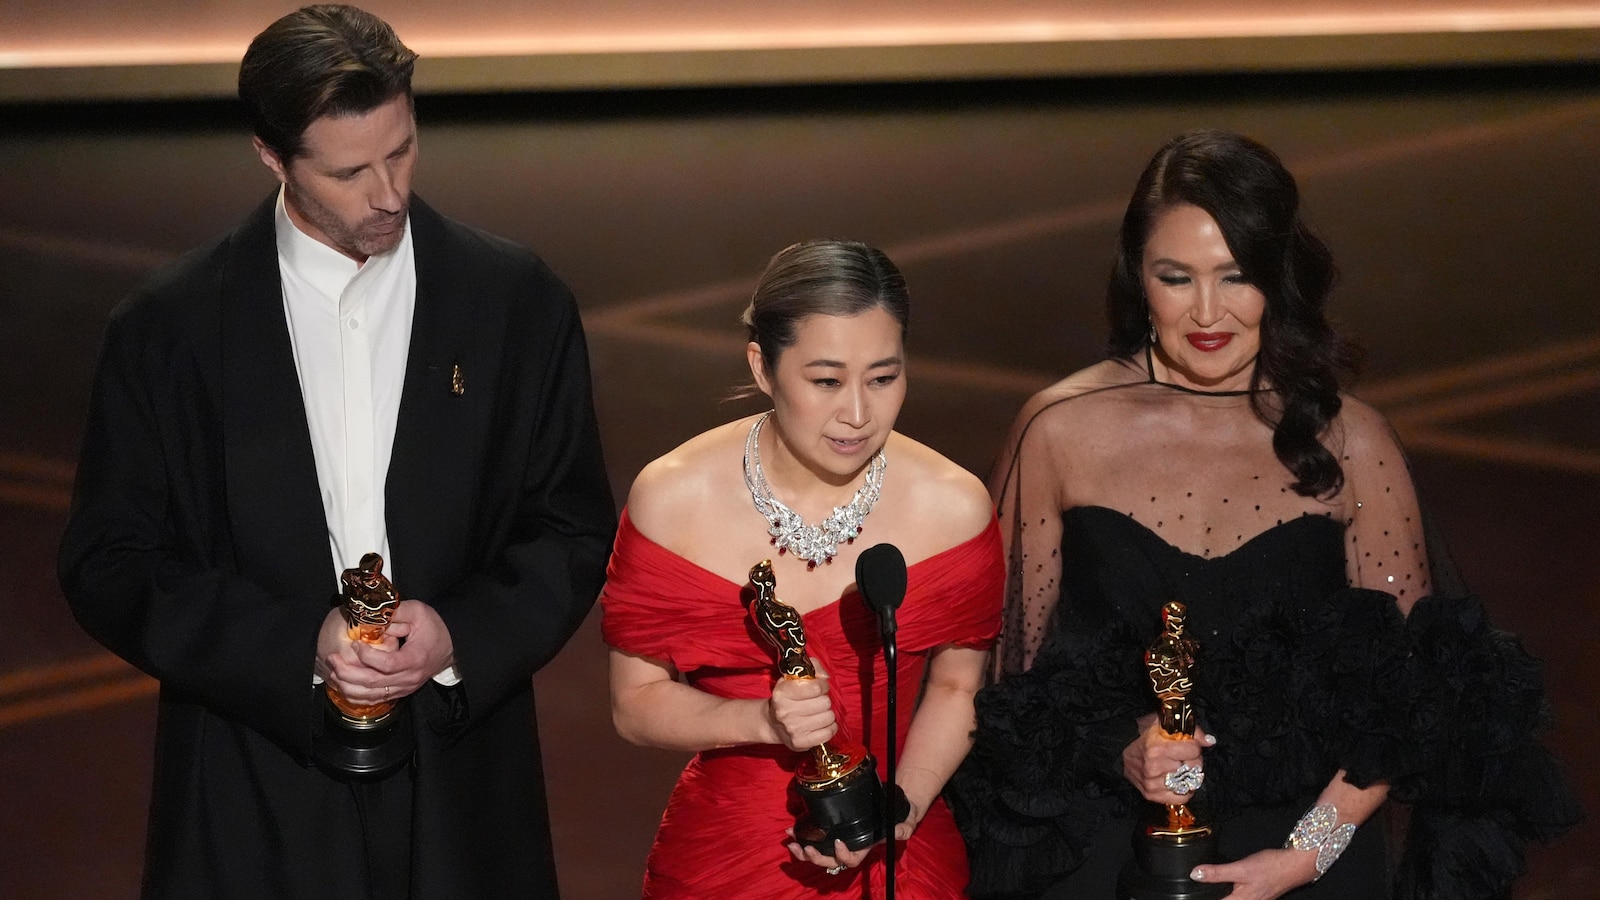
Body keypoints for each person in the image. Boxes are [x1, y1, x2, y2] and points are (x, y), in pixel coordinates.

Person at [57, 6, 616, 898]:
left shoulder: (514, 301)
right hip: (250, 771)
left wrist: (459, 634)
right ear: (271, 155)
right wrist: (291, 646)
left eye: (402, 150)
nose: (388, 194)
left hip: (461, 776)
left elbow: (572, 527)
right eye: (350, 172)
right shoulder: (172, 328)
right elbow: (109, 561)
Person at [949, 130, 1579, 899]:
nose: (1206, 311)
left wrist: (1306, 855)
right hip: (1111, 847)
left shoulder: (1352, 441)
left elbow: (1412, 694)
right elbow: (1011, 678)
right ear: (1138, 278)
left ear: (1279, 277)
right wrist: (1123, 747)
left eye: (1236, 275)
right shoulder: (1058, 431)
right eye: (1176, 278)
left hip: (1310, 850)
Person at [601, 239, 1004, 897]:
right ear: (762, 367)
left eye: (883, 378)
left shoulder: (953, 505)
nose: (858, 414)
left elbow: (958, 689)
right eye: (826, 381)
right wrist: (761, 721)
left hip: (896, 851)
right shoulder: (673, 497)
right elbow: (634, 704)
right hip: (725, 857)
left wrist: (894, 813)